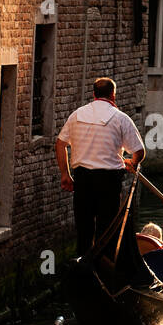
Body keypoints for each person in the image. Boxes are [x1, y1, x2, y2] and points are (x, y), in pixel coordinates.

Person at [56, 77, 145, 257]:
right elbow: (139, 151)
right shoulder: (121, 118)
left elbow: (60, 144)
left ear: (94, 93)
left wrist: (65, 174)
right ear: (113, 94)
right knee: (106, 229)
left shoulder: (77, 115)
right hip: (108, 182)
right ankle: (102, 267)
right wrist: (132, 163)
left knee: (84, 228)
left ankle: (84, 268)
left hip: (82, 179)